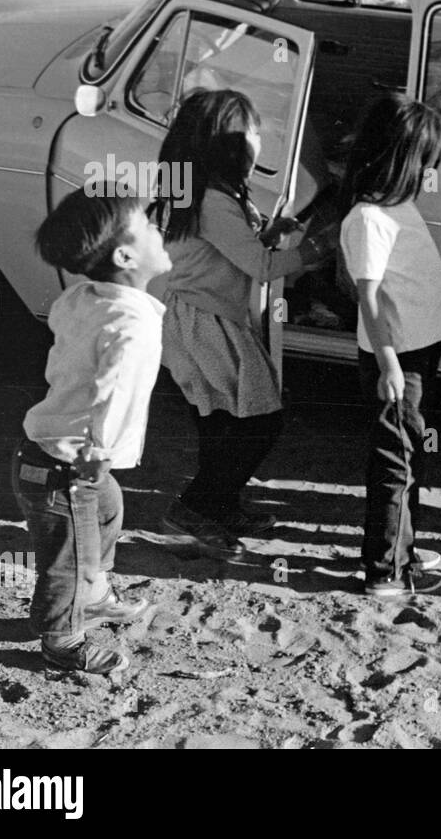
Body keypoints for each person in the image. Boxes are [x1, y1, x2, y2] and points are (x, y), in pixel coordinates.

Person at [154, 88, 337, 560]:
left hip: (206, 318)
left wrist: (269, 235)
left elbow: (240, 248)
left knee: (220, 424)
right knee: (262, 419)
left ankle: (219, 506)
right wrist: (319, 248)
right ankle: (192, 510)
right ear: (229, 144)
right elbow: (263, 266)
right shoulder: (215, 200)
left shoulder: (208, 191)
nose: (260, 140)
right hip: (206, 322)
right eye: (253, 132)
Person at [14, 186, 172, 673]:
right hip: (68, 464)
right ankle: (62, 640)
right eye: (148, 224)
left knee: (108, 509)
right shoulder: (130, 324)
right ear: (125, 255)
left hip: (46, 454)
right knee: (67, 556)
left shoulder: (81, 297)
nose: (159, 228)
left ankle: (97, 593)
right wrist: (99, 451)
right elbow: (114, 392)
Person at [339, 93, 441, 597]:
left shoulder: (396, 206)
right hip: (398, 356)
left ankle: (400, 546)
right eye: (426, 164)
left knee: (407, 454)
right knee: (396, 460)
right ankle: (385, 569)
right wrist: (387, 361)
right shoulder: (369, 217)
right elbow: (367, 296)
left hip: (417, 349)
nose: (431, 175)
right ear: (402, 160)